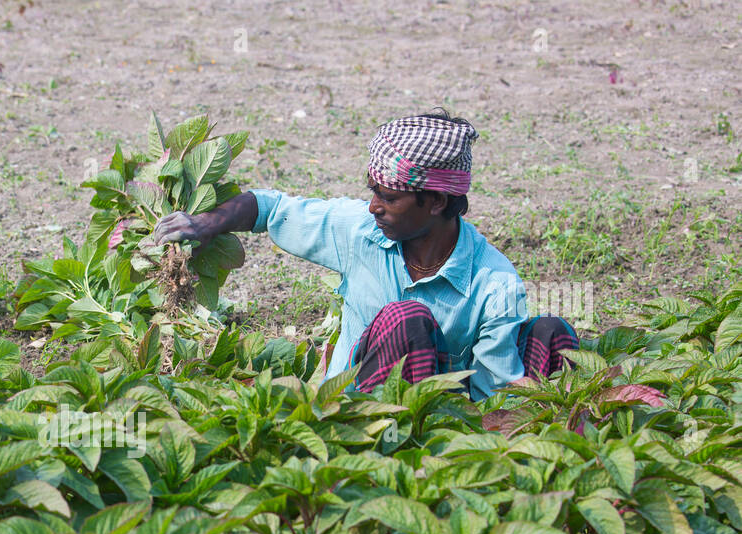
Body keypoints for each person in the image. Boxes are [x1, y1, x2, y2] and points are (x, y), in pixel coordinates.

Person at [152, 109, 578, 400]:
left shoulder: (494, 283)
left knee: (550, 333)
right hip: (356, 414)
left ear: (435, 202)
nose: (374, 205)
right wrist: (205, 224)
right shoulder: (360, 231)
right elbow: (269, 208)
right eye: (372, 191)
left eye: (389, 197)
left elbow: (492, 396)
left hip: (442, 420)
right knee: (406, 321)